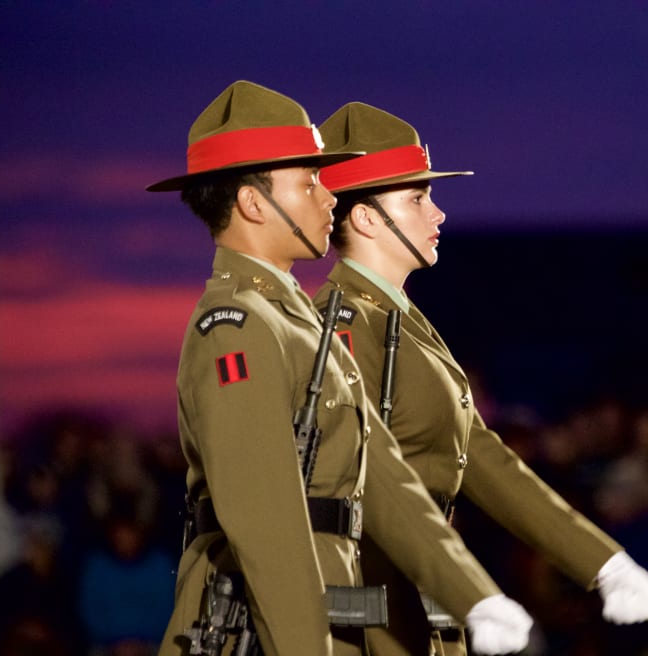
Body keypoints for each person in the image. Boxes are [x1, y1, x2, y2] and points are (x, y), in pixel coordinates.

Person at [146, 81, 531, 656]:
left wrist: (474, 595)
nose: (330, 198)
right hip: (254, 628)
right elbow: (265, 524)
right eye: (308, 183)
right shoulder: (237, 324)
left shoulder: (296, 318)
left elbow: (387, 480)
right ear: (254, 203)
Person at [310, 102, 648, 655]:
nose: (438, 214)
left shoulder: (406, 326)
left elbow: (485, 459)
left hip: (422, 603)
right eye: (417, 198)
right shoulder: (343, 328)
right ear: (365, 218)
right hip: (371, 616)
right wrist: (475, 595)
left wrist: (603, 562)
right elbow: (372, 480)